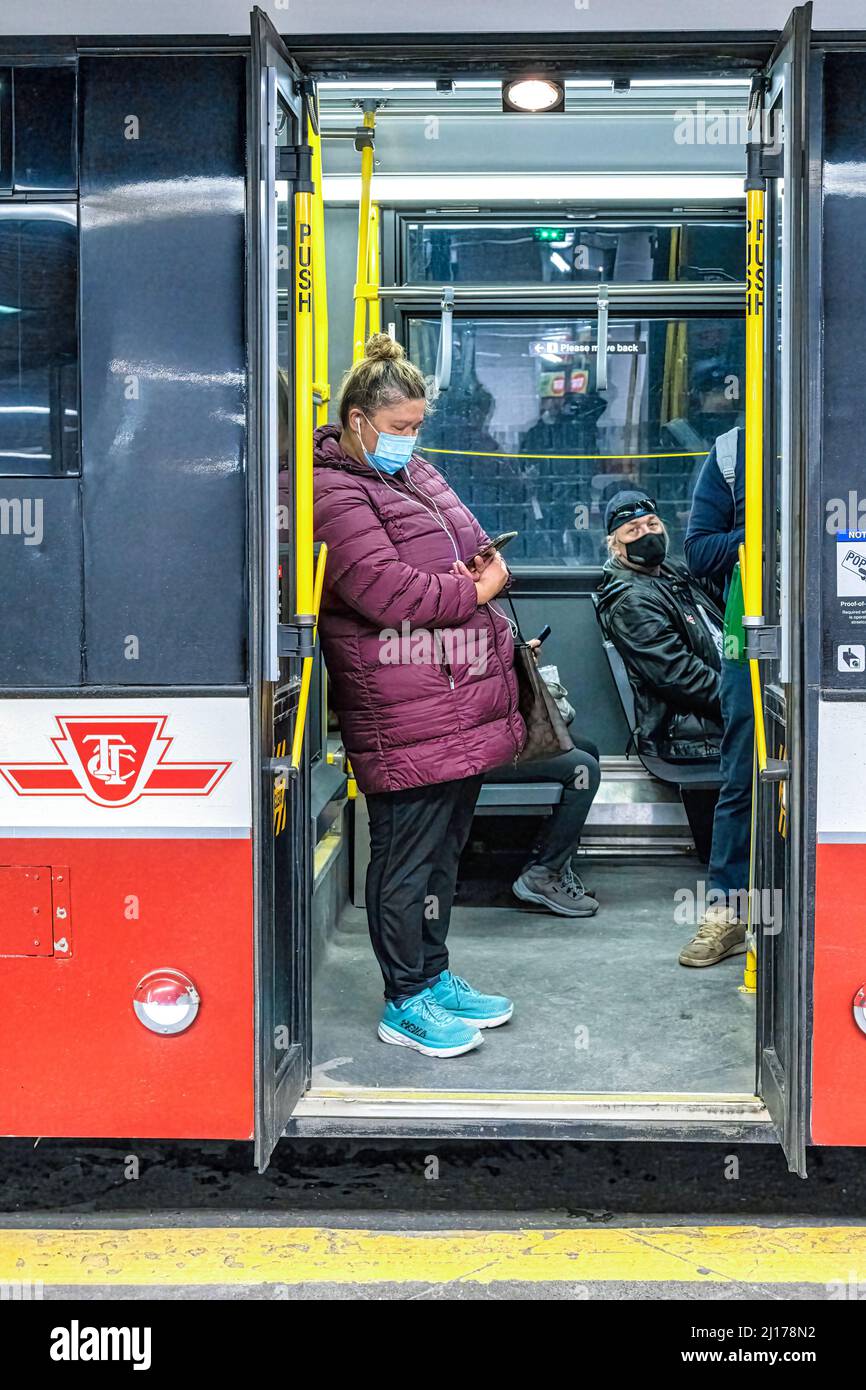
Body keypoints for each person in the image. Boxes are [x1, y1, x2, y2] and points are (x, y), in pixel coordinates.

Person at [313, 333, 526, 1059]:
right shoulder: (329, 488)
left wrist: (477, 570)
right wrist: (477, 587)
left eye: (416, 427)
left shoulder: (413, 476)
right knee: (406, 858)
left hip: (454, 699)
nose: (410, 440)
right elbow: (385, 592)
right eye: (399, 428)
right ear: (358, 417)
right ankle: (403, 998)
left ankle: (433, 976)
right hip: (401, 706)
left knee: (442, 854)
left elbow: (461, 546)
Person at [682, 425, 754, 968]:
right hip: (748, 632)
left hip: (839, 623)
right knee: (744, 774)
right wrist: (763, 536)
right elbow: (701, 550)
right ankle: (727, 911)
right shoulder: (733, 451)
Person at [595, 490, 726, 765]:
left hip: (720, 713)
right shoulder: (630, 601)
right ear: (615, 545)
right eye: (633, 531)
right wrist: (742, 698)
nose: (646, 534)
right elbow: (680, 676)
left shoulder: (674, 571)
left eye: (652, 525)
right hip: (693, 734)